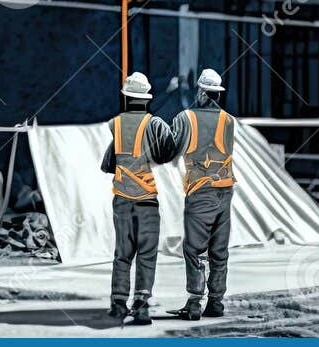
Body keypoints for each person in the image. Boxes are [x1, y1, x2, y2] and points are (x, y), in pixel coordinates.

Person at [100, 71, 176, 325]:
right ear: (146, 99)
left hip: (121, 199)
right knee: (146, 254)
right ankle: (141, 307)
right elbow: (167, 154)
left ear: (125, 97)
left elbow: (109, 163)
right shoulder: (155, 124)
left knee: (122, 253)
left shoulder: (116, 124)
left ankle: (118, 303)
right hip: (146, 200)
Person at [169, 67, 235, 319]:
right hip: (225, 189)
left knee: (194, 248)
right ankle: (216, 302)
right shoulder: (229, 120)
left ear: (202, 93)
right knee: (219, 249)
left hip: (200, 190)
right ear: (218, 94)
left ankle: (194, 303)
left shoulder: (186, 118)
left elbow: (172, 150)